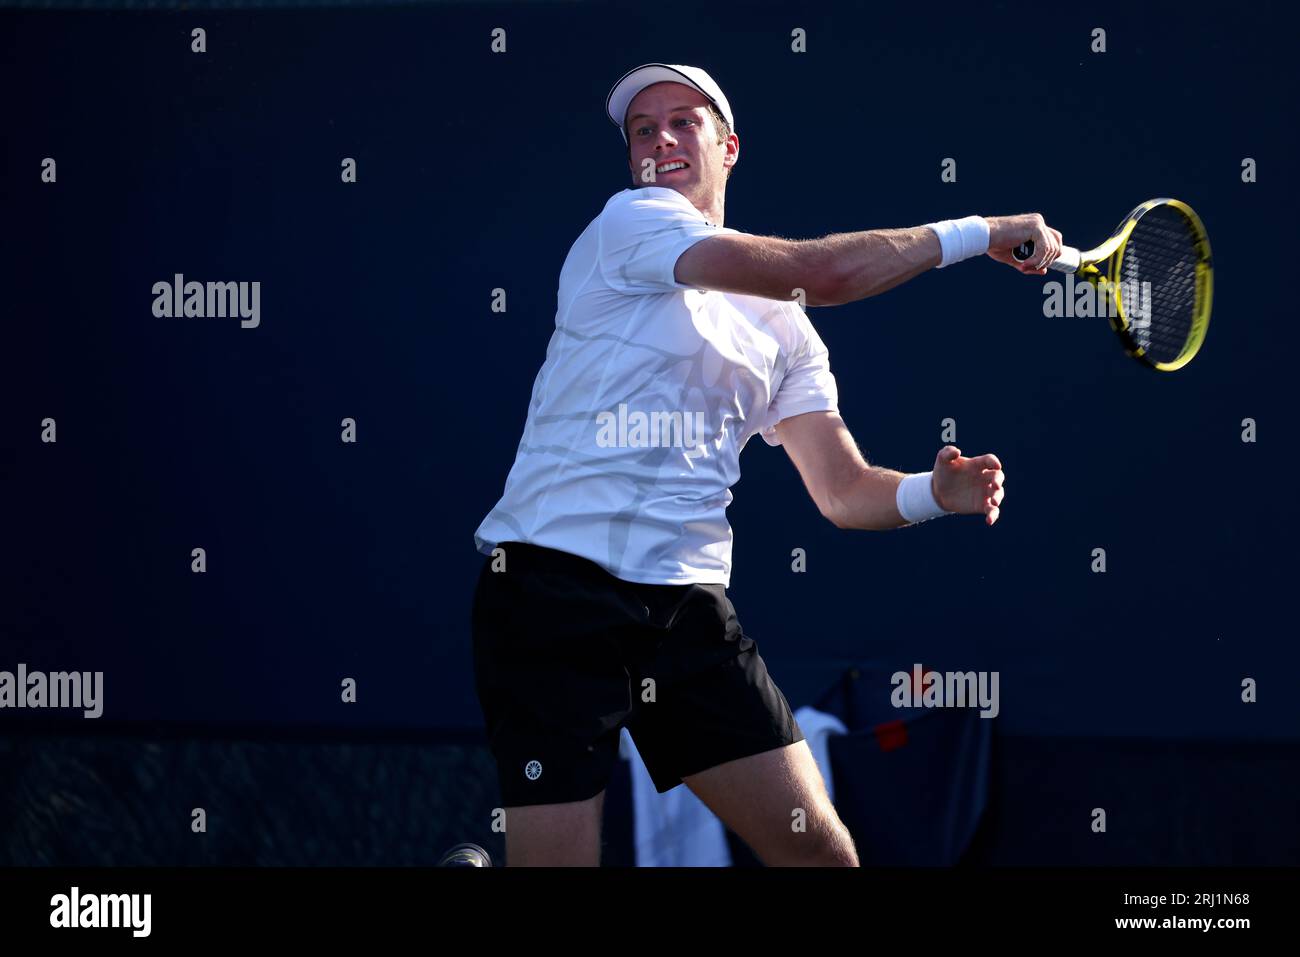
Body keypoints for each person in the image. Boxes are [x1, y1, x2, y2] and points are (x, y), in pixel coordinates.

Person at [471, 63, 1061, 867]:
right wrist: (982, 231)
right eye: (644, 130)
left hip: (684, 609)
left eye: (684, 122)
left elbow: (845, 489)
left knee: (822, 855)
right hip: (551, 591)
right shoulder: (632, 221)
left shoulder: (783, 334)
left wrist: (934, 492)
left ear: (729, 146)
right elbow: (825, 274)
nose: (662, 140)